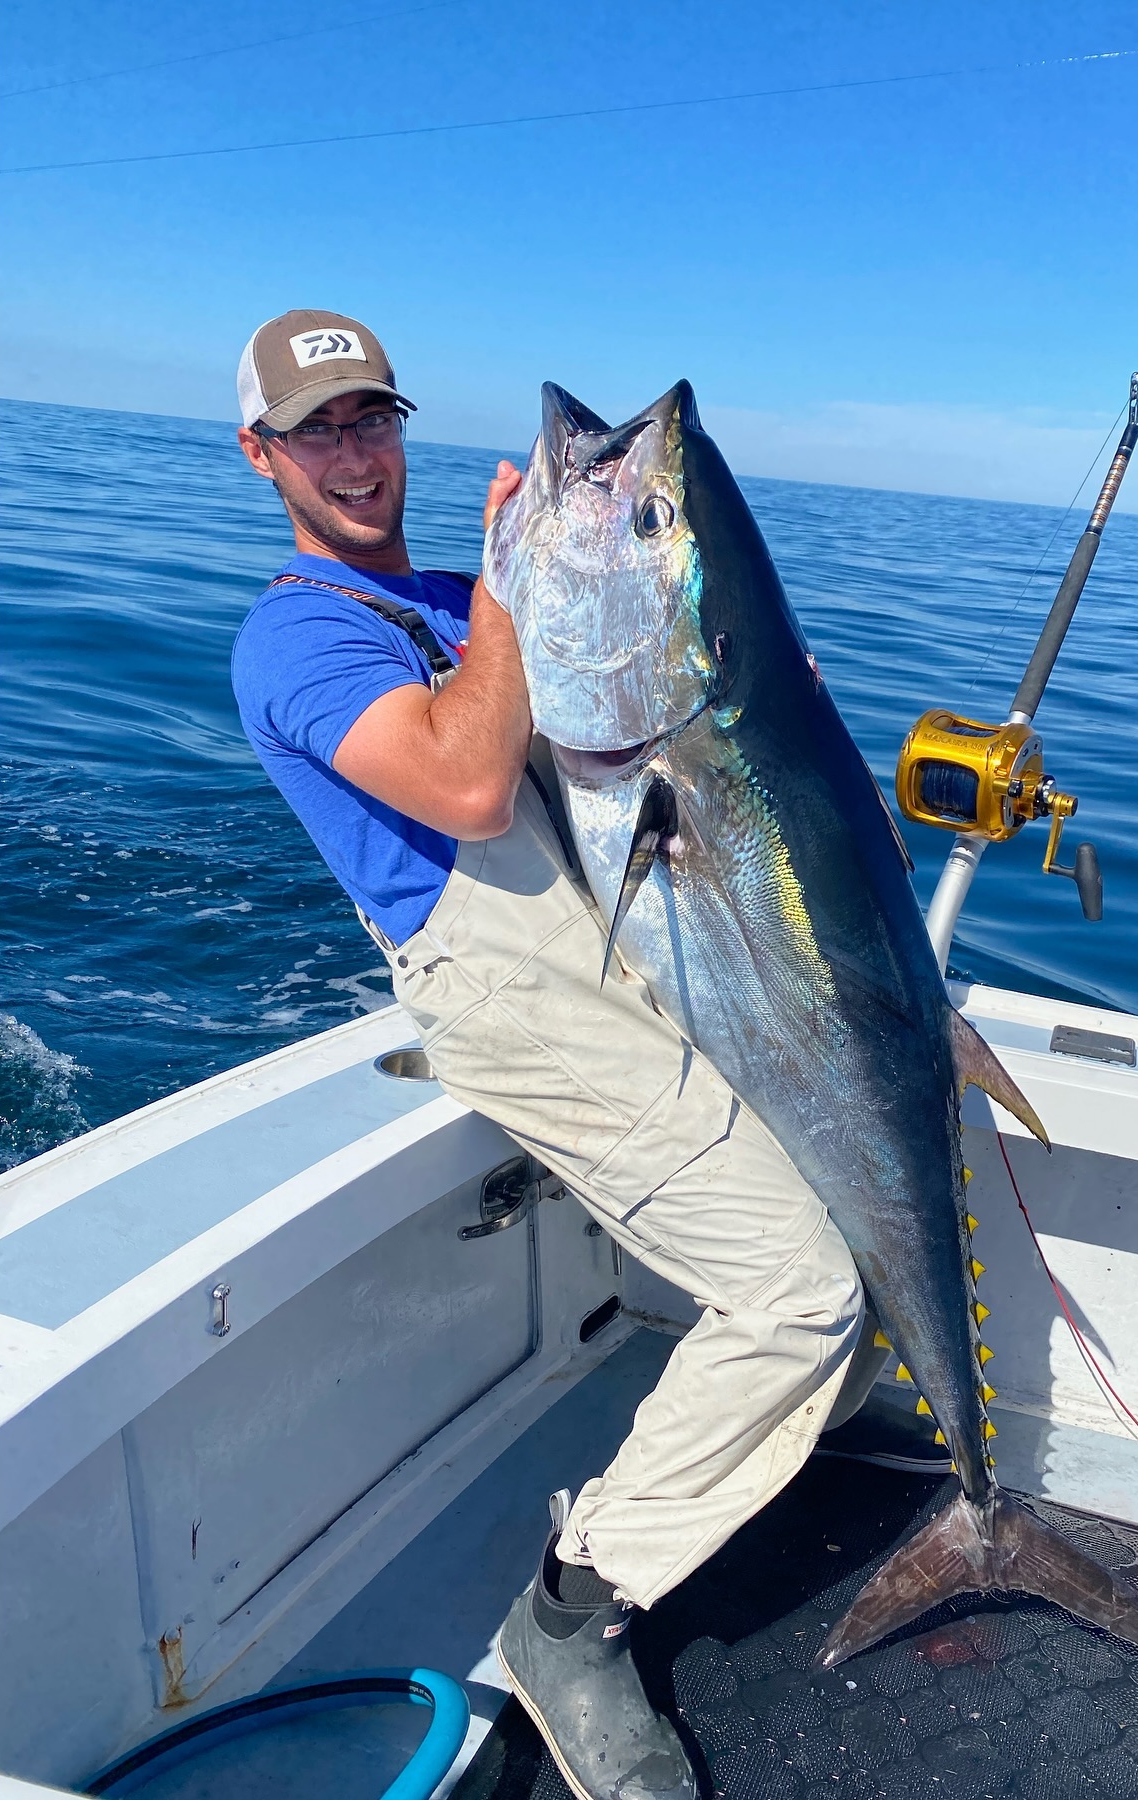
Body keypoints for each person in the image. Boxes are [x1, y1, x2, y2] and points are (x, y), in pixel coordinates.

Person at [232, 310, 890, 1800]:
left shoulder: (465, 594)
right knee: (800, 1295)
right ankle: (567, 1621)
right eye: (321, 429)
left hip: (636, 956)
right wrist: (537, 577)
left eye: (374, 419)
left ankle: (726, 1468)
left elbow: (647, 733)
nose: (357, 454)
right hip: (512, 996)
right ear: (262, 452)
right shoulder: (297, 634)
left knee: (831, 1256)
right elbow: (469, 782)